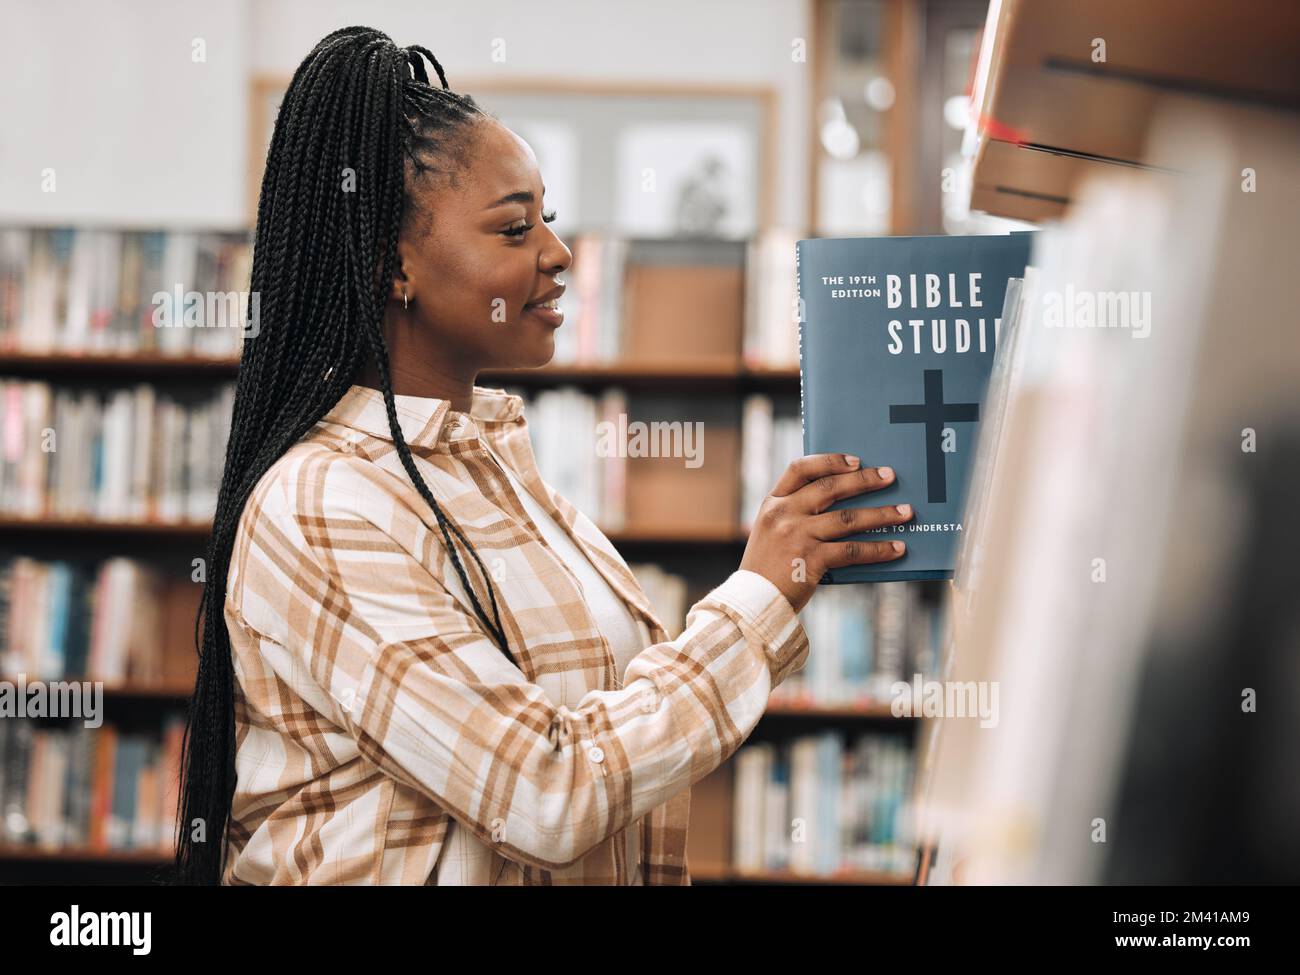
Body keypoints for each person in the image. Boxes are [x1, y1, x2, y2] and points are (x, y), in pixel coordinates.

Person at [174, 25, 913, 885]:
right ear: (393, 266)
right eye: (515, 228)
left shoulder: (498, 475)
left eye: (547, 221)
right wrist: (756, 597)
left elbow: (613, 732)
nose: (559, 255)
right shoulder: (322, 504)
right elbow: (545, 789)